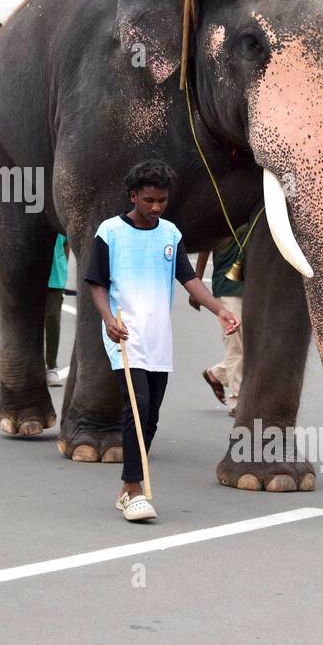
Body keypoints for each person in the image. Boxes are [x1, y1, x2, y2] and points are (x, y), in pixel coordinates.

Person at [85, 160, 240, 523]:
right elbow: (97, 284)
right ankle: (136, 488)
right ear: (133, 196)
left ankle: (126, 490)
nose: (156, 207)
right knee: (136, 406)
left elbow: (188, 279)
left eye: (163, 201)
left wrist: (218, 308)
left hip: (159, 339)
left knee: (151, 415)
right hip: (124, 334)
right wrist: (108, 320)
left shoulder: (170, 233)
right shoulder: (110, 232)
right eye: (150, 200)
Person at [197, 235, 244, 415]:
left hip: (256, 285)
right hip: (228, 286)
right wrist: (198, 281)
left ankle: (217, 374)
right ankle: (237, 402)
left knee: (252, 345)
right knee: (236, 344)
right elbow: (205, 246)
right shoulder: (224, 211)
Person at [45, 235, 69, 386]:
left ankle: (51, 366)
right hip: (29, 276)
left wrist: (62, 267)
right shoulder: (31, 210)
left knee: (53, 319)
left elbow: (67, 244)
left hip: (55, 276)